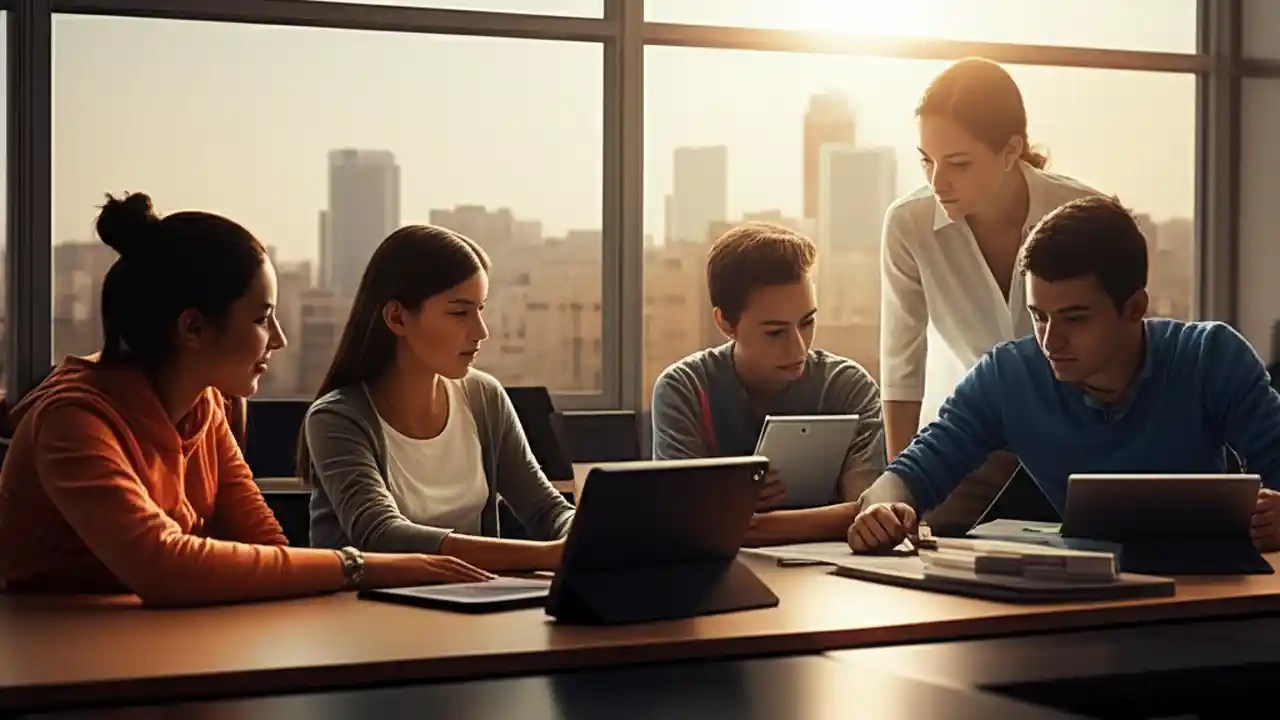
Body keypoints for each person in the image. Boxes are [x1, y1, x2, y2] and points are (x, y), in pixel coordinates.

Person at [0, 193, 493, 606]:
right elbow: (163, 564)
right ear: (192, 327)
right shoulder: (74, 421)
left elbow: (264, 545)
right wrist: (360, 564)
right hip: (57, 663)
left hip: (152, 643)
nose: (278, 338)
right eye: (261, 319)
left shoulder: (206, 406)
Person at [849, 196, 1280, 553]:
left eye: (1075, 319)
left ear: (1134, 308)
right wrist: (882, 510)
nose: (1050, 341)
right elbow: (908, 475)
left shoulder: (1210, 358)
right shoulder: (1008, 376)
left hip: (1211, 601)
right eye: (1039, 316)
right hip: (1076, 600)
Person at [880, 57, 1102, 533]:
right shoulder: (909, 225)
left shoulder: (1083, 213)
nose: (937, 181)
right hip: (973, 435)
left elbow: (1118, 339)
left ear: (1010, 151)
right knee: (937, 539)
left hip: (1079, 428)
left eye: (958, 163)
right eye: (926, 160)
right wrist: (902, 492)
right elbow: (902, 363)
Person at [300, 225, 575, 572]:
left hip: (476, 609)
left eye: (480, 309)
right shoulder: (337, 418)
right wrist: (546, 556)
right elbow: (380, 534)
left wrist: (581, 536)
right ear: (397, 317)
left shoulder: (484, 398)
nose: (480, 331)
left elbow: (545, 509)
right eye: (460, 312)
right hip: (367, 614)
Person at [652, 221, 883, 545]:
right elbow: (681, 521)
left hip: (832, 582)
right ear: (725, 323)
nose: (798, 347)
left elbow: (870, 513)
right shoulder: (684, 389)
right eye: (775, 332)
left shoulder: (848, 387)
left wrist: (744, 522)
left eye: (807, 322)